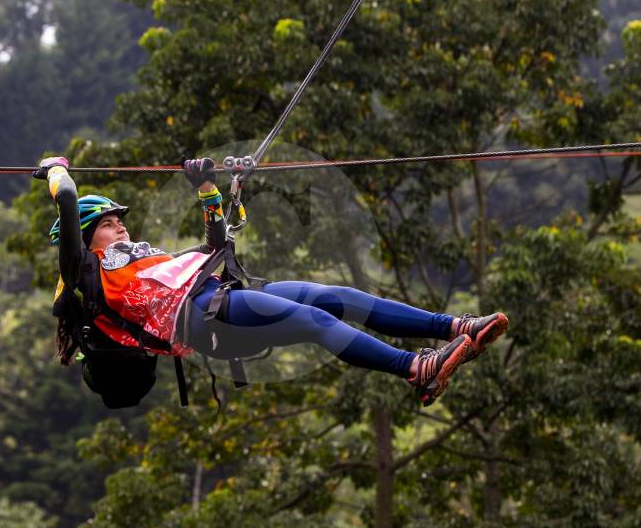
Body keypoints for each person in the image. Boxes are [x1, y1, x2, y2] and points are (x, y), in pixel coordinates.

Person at [33, 156, 508, 407]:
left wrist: (209, 190)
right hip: (202, 322)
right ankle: (413, 369)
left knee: (335, 297)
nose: (122, 226)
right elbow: (69, 197)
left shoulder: (141, 260)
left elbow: (214, 245)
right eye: (111, 223)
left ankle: (454, 328)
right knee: (313, 320)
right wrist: (55, 170)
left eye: (121, 220)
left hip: (218, 296)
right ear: (86, 234)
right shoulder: (81, 273)